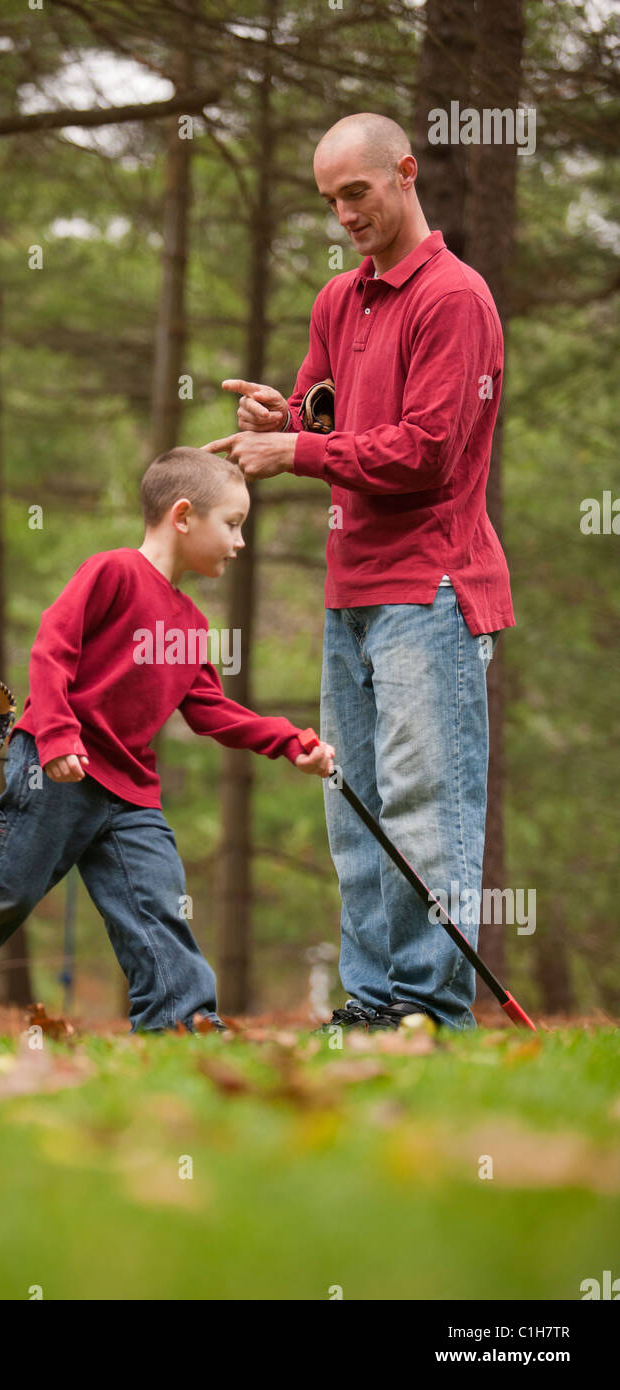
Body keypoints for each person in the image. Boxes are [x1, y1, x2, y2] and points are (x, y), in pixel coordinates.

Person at [205, 113, 515, 1032]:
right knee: (357, 811)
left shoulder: (454, 298)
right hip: (353, 591)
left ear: (405, 175)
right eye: (330, 199)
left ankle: (428, 1008)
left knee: (426, 806)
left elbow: (425, 451)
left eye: (357, 192)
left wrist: (295, 452)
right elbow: (327, 412)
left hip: (435, 589)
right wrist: (281, 414)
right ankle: (375, 1001)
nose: (344, 213)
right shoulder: (340, 302)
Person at [0, 447, 335, 1031]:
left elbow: (209, 710)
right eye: (232, 525)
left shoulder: (190, 623)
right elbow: (51, 651)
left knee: (156, 903)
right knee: (3, 889)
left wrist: (287, 740)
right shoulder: (111, 572)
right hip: (59, 766)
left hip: (128, 790)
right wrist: (57, 736)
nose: (239, 543)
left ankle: (179, 1024)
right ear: (183, 516)